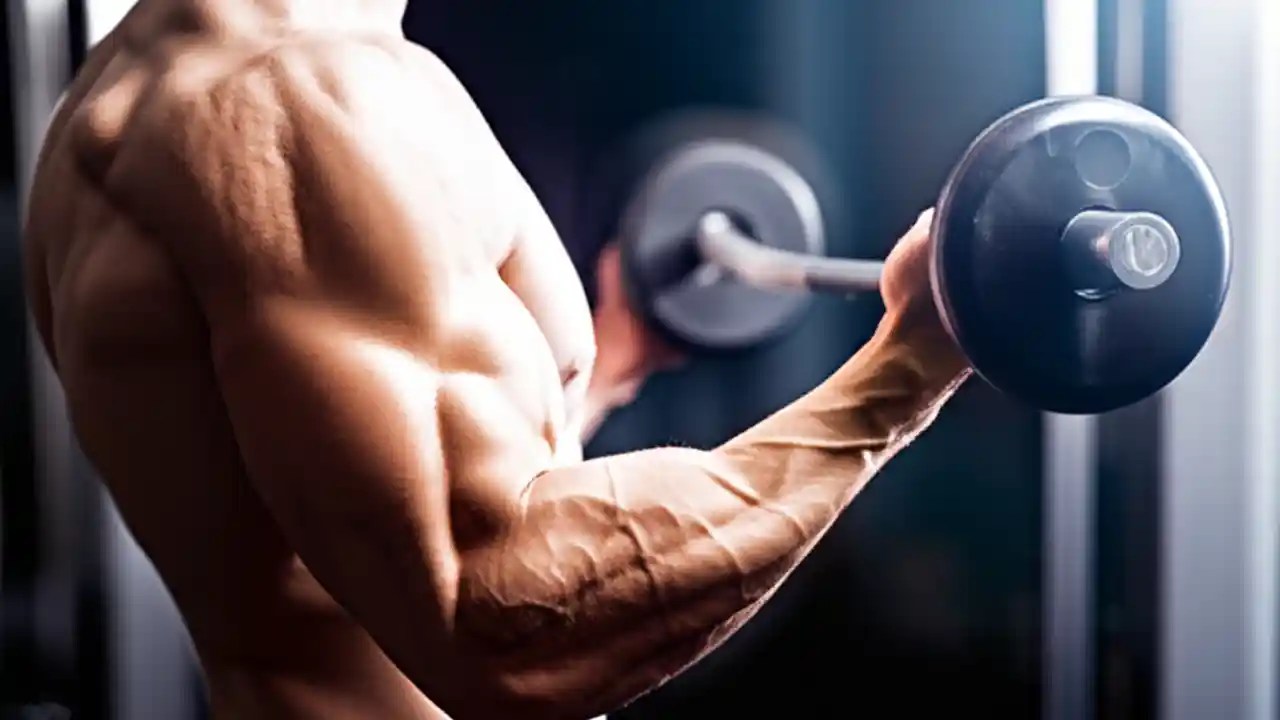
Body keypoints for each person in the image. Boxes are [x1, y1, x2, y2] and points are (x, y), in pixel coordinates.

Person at [22, 0, 972, 718]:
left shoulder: (120, 92)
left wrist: (612, 359)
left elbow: (346, 508)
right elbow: (493, 619)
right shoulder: (298, 97)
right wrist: (906, 369)